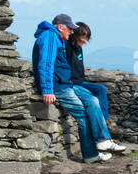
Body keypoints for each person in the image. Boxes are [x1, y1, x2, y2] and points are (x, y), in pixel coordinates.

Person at [31, 13, 125, 163]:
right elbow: (45, 64)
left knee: (93, 100)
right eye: (70, 29)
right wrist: (47, 90)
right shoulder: (49, 36)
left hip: (66, 83)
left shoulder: (57, 38)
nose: (72, 32)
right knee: (82, 114)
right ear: (60, 27)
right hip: (58, 86)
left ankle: (103, 140)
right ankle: (90, 155)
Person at [65, 21, 113, 132]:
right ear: (75, 34)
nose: (85, 41)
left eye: (87, 38)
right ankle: (104, 121)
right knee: (99, 90)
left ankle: (104, 120)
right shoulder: (67, 47)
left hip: (80, 81)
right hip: (72, 83)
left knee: (100, 89)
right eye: (83, 37)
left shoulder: (79, 48)